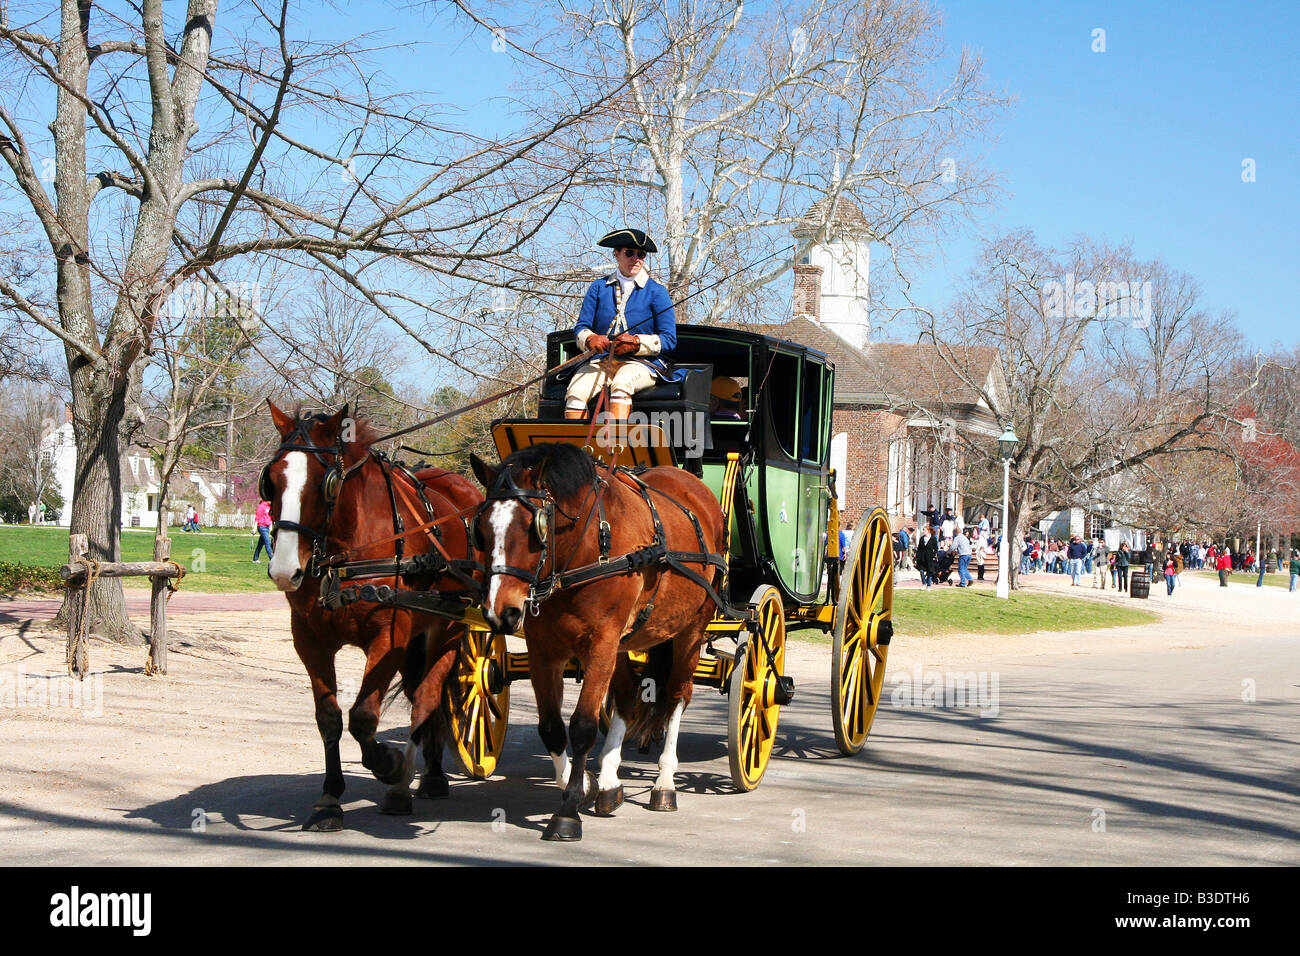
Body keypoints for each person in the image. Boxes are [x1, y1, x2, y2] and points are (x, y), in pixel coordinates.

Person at [565, 228, 679, 422]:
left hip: (642, 364)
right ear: (616, 254)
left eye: (641, 254)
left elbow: (669, 339)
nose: (636, 258)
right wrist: (590, 338)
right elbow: (581, 327)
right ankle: (576, 452)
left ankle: (617, 449)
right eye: (629, 253)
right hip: (600, 362)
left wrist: (636, 343)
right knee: (575, 393)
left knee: (621, 385)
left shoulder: (657, 292)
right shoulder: (598, 288)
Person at [253, 499, 274, 563]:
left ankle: (255, 559)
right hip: (261, 526)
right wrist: (255, 527)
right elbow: (257, 517)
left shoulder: (270, 506)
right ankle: (272, 559)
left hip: (267, 527)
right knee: (267, 542)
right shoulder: (262, 506)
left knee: (260, 544)